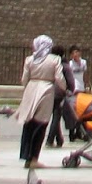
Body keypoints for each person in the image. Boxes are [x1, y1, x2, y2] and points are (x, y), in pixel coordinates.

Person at [17, 34, 66, 169]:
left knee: (29, 123)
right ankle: (34, 158)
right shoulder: (54, 59)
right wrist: (65, 89)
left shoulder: (29, 60)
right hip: (46, 90)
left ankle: (26, 156)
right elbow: (59, 78)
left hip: (31, 89)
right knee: (40, 124)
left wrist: (28, 89)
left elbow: (24, 79)